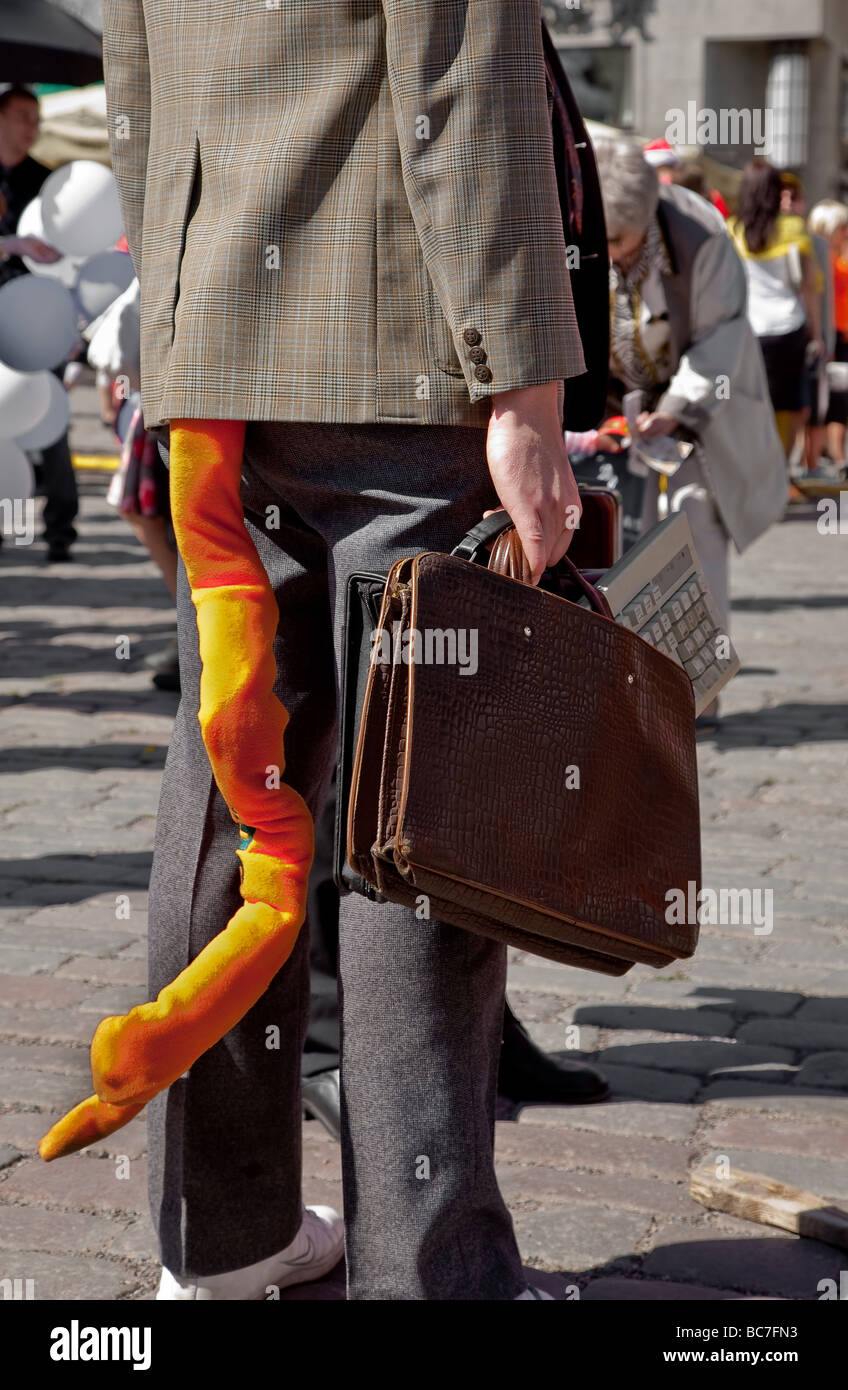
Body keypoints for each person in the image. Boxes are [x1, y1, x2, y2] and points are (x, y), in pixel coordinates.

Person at [101, 0, 586, 1301]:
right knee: (420, 816)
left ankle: (224, 1233)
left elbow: (138, 92)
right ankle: (427, 1272)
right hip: (396, 346)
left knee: (230, 796)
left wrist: (175, 335)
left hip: (217, 350)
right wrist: (528, 382)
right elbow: (463, 73)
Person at [593, 137, 786, 728]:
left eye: (620, 245)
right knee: (617, 543)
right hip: (616, 417)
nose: (612, 256)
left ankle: (700, 685)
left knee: (696, 530)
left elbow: (720, 339)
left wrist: (674, 408)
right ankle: (628, 688)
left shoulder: (701, 239)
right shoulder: (588, 227)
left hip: (700, 411)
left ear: (646, 219)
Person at [0, 84, 79, 563]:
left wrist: (72, 324)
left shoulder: (49, 185)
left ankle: (60, 531)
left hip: (39, 320)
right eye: (24, 116)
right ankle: (8, 526)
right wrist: (14, 244)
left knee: (50, 423)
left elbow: (73, 255)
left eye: (37, 118)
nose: (33, 127)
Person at [727, 159, 823, 458]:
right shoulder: (793, 229)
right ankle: (778, 475)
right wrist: (817, 334)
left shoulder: (732, 230)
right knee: (788, 406)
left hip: (747, 330)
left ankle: (753, 472)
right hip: (788, 327)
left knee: (750, 404)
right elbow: (809, 286)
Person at [805, 200, 848, 475]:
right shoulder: (821, 260)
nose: (846, 231)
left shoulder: (835, 258)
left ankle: (830, 457)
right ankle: (822, 459)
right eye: (842, 227)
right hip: (826, 335)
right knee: (824, 401)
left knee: (837, 399)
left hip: (839, 334)